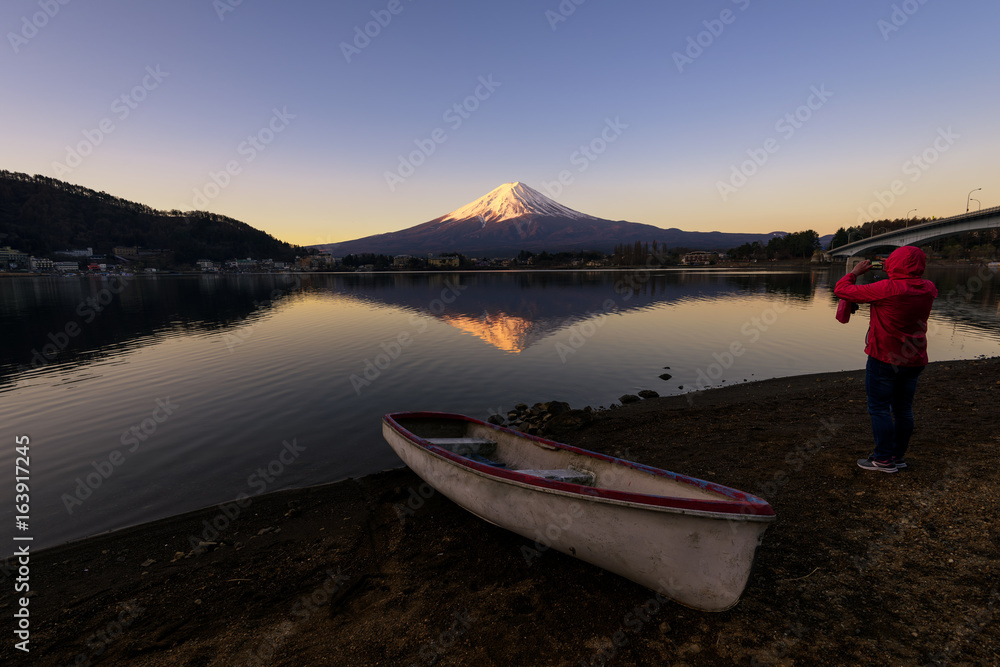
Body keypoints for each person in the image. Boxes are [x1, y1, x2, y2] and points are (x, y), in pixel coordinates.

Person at [834, 246, 938, 473]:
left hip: (884, 357)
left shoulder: (887, 288)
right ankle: (897, 457)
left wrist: (855, 272)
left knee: (879, 408)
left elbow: (842, 289)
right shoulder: (929, 288)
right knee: (903, 409)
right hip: (914, 358)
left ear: (895, 264)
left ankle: (882, 459)